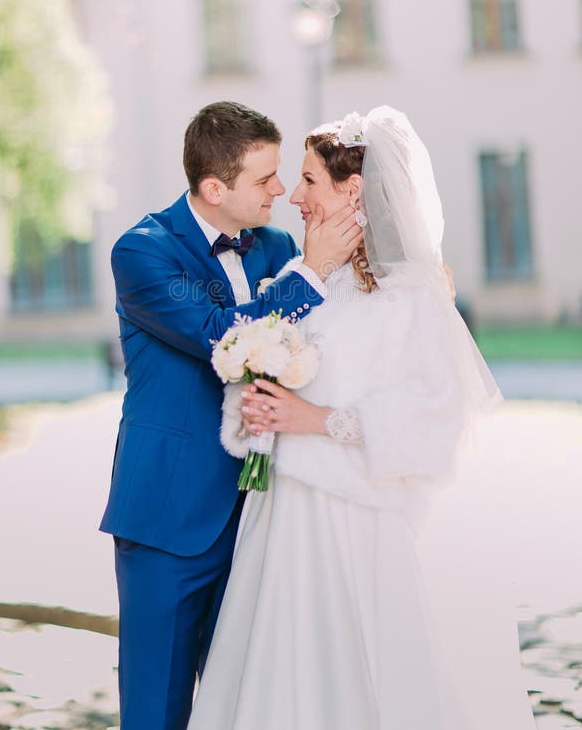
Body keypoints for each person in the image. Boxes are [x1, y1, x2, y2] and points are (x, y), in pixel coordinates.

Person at [187, 106, 536, 730]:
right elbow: (248, 364)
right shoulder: (307, 282)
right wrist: (259, 411)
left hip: (362, 527)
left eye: (309, 181)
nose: (294, 197)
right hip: (286, 523)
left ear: (354, 191)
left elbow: (434, 421)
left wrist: (315, 419)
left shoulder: (415, 297)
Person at [99, 101, 363, 730]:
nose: (280, 190)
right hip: (169, 515)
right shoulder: (141, 252)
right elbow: (225, 338)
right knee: (157, 707)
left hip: (266, 516)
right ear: (213, 188)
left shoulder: (274, 245)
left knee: (250, 702)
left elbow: (318, 335)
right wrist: (317, 269)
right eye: (265, 179)